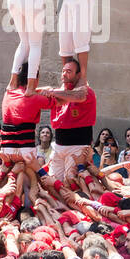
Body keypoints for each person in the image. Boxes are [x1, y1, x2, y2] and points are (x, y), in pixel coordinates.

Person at [39, 56, 96, 184]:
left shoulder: (86, 92)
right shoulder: (58, 92)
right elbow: (41, 98)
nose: (64, 74)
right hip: (59, 146)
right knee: (52, 182)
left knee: (72, 182)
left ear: (78, 75)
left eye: (69, 71)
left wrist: (52, 91)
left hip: (77, 146)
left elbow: (78, 96)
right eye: (63, 71)